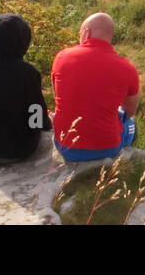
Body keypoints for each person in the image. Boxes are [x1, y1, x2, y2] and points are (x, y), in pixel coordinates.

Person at [51, 12, 140, 162]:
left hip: (64, 146)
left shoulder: (61, 57)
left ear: (86, 33)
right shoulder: (127, 68)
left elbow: (58, 97)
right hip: (107, 148)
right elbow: (130, 112)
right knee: (131, 124)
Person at [0, 13, 52, 164]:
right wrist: (48, 124)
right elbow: (36, 122)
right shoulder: (28, 72)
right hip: (16, 151)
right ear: (23, 41)